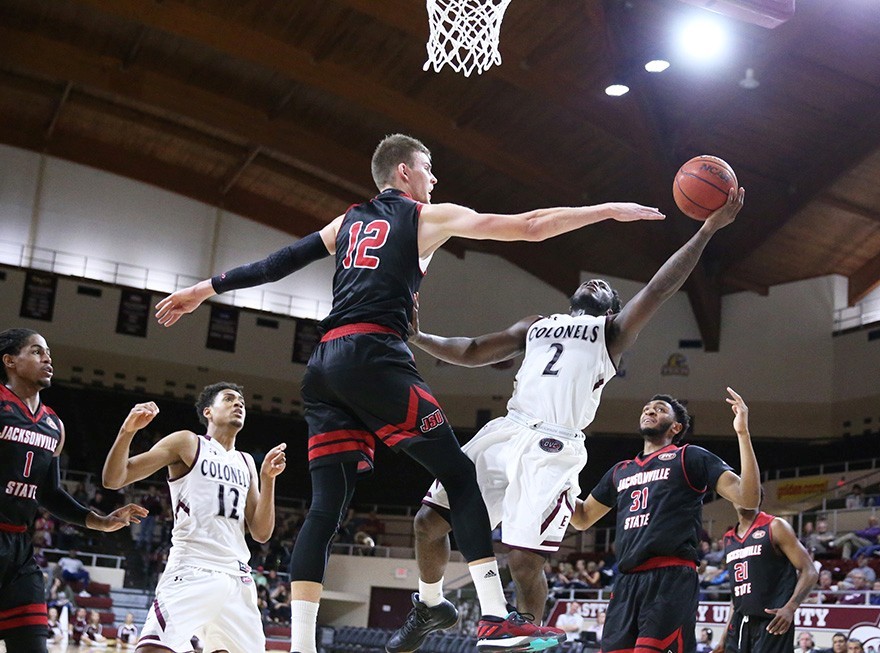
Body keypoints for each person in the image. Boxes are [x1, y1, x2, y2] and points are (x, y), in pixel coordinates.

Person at [153, 133, 665, 653]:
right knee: (460, 473)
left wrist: (203, 289)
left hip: (323, 363)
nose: (434, 178)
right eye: (428, 168)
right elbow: (529, 227)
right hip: (374, 355)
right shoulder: (425, 217)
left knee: (325, 509)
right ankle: (492, 615)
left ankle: (303, 645)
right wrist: (605, 210)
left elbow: (278, 262)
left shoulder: (347, 221)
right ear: (403, 172)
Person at [394, 187, 744, 648]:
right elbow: (474, 350)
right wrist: (419, 337)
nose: (597, 284)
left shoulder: (611, 334)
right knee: (427, 522)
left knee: (522, 559)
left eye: (608, 290)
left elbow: (660, 286)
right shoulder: (537, 324)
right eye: (592, 284)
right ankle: (431, 605)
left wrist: (707, 229)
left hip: (553, 446)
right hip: (506, 430)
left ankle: (528, 637)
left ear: (614, 309)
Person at [570, 388, 761, 653]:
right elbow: (581, 518)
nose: (650, 411)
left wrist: (742, 433)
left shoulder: (690, 457)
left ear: (675, 427)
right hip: (626, 583)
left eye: (659, 409)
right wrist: (555, 482)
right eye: (647, 408)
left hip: (670, 577)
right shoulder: (620, 471)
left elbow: (749, 498)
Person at [101, 383, 288, 653]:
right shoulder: (187, 443)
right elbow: (113, 478)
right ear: (208, 411)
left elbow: (261, 533)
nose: (239, 404)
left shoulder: (246, 462)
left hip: (237, 577)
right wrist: (127, 431)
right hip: (192, 567)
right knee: (152, 649)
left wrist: (267, 479)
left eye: (242, 402)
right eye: (229, 399)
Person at [0, 328, 147, 653]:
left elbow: (50, 493)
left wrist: (102, 521)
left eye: (48, 351)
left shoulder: (54, 424)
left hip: (20, 552)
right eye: (36, 351)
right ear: (10, 360)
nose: (47, 358)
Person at [716, 492, 818, 653]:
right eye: (737, 492)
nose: (740, 496)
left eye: (747, 491)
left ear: (757, 497)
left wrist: (791, 607)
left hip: (772, 623)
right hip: (739, 624)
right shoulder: (729, 539)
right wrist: (723, 638)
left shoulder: (775, 526)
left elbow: (810, 570)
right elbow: (736, 596)